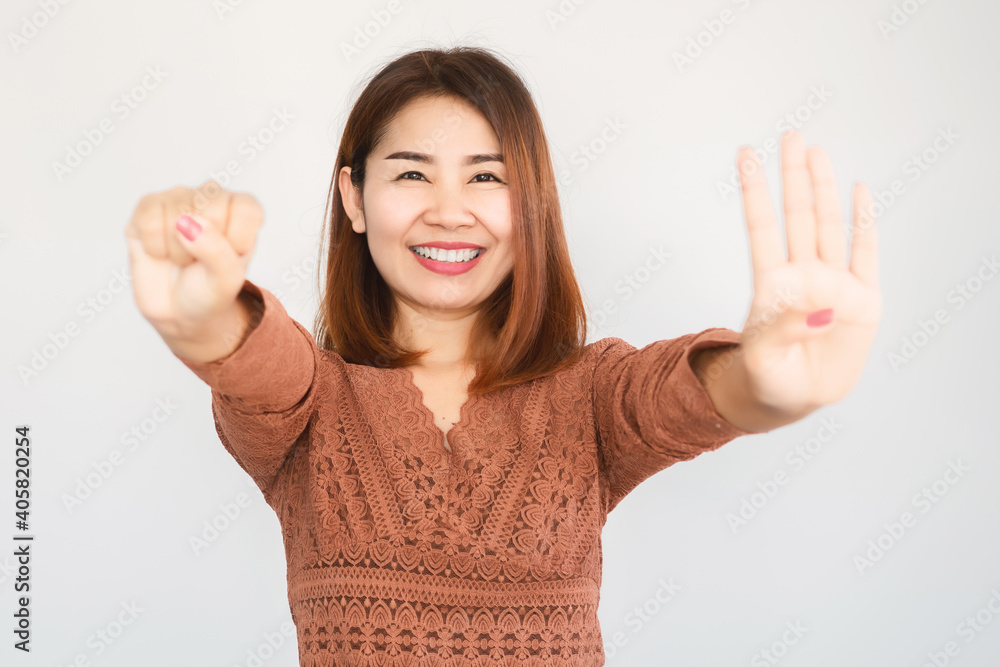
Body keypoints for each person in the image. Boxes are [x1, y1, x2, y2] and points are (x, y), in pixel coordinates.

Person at [124, 46, 881, 666]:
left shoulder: (590, 393)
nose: (449, 211)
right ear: (353, 198)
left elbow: (675, 396)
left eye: (487, 176)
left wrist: (763, 380)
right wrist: (208, 313)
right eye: (412, 173)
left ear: (532, 203)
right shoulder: (313, 404)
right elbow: (260, 368)